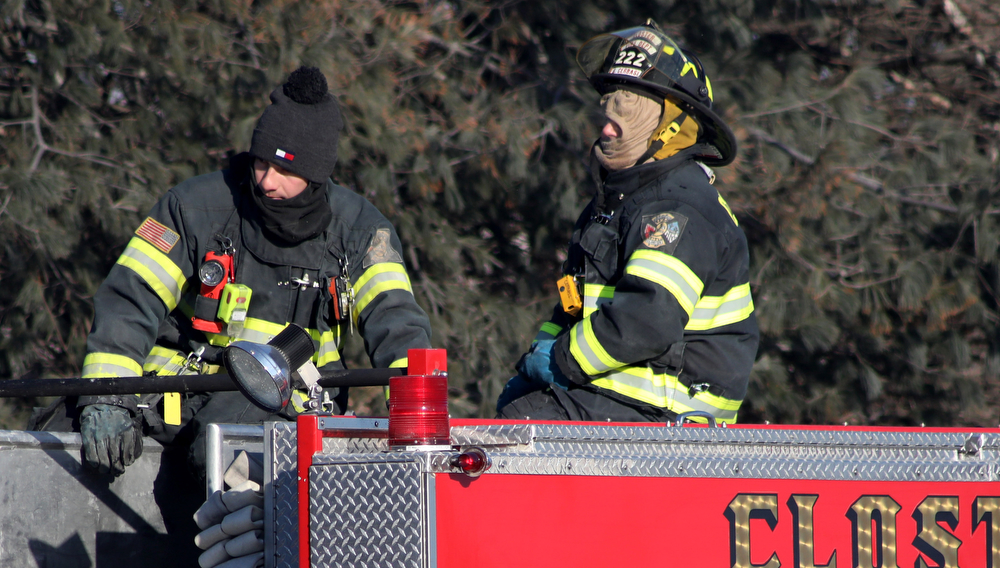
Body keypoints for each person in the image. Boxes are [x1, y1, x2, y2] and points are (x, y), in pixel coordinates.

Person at [76, 66, 432, 475]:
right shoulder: (193, 207)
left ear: (316, 175)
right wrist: (107, 395)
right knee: (63, 433)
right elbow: (130, 297)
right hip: (176, 398)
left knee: (224, 446)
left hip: (288, 409)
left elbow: (398, 322)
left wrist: (416, 407)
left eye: (285, 171)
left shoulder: (361, 232)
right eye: (262, 162)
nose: (266, 181)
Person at [496, 20, 758, 424]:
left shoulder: (676, 209)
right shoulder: (620, 204)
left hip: (669, 417)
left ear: (671, 125)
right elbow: (574, 305)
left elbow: (647, 319)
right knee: (518, 411)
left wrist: (560, 362)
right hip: (614, 399)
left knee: (524, 424)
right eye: (607, 109)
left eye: (625, 112)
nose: (604, 128)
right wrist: (534, 360)